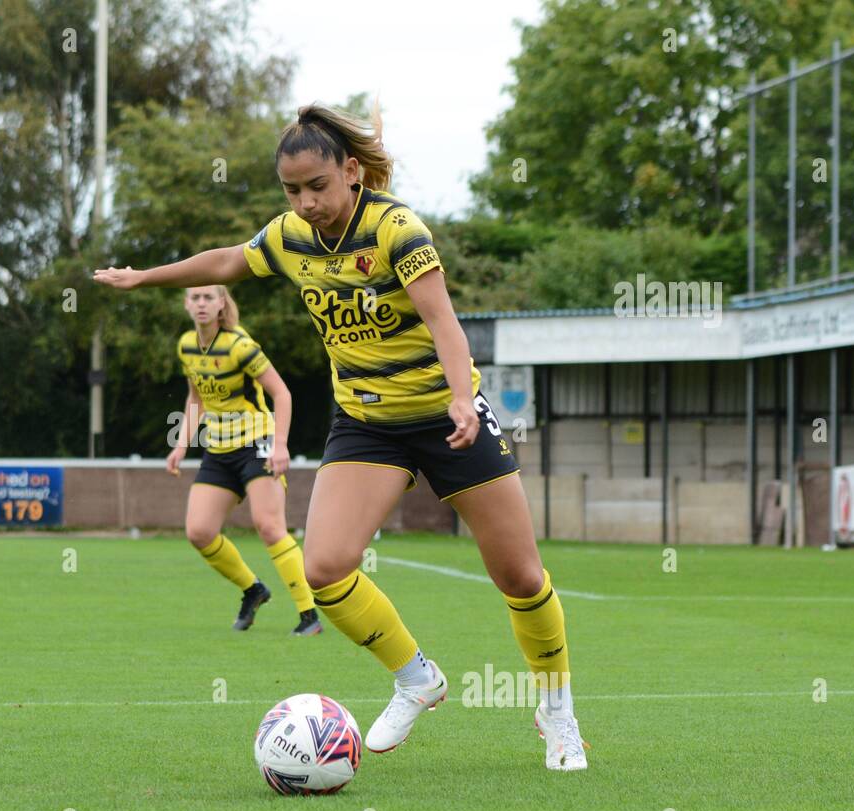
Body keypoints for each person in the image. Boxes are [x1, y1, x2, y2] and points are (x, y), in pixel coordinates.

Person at [96, 103, 588, 770]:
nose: (305, 203)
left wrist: (457, 397)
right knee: (324, 567)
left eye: (316, 187)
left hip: (448, 413)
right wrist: (142, 277)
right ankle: (416, 678)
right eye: (291, 191)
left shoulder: (397, 230)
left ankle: (557, 709)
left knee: (520, 575)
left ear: (352, 172)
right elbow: (228, 259)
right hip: (365, 423)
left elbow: (443, 321)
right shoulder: (291, 237)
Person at [168, 285, 321, 636]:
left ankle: (308, 613)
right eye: (195, 297)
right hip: (218, 449)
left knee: (268, 526)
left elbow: (282, 393)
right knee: (199, 532)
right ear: (186, 304)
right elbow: (196, 399)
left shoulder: (241, 345)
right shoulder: (187, 345)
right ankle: (254, 590)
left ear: (222, 303)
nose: (202, 303)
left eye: (209, 297)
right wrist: (180, 445)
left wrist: (280, 444)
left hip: (258, 443)